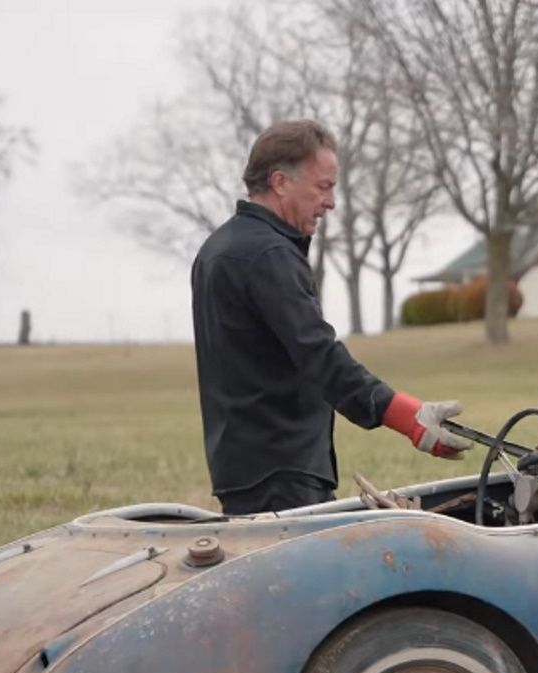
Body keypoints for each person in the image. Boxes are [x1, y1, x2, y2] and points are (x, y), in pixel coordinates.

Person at [191, 120, 470, 515]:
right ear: (281, 182)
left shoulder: (219, 248)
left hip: (243, 466)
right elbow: (319, 355)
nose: (332, 202)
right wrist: (409, 417)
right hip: (281, 470)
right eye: (323, 187)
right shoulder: (268, 256)